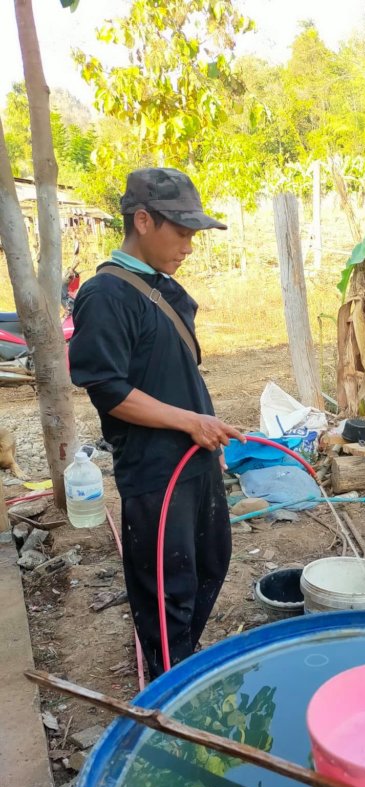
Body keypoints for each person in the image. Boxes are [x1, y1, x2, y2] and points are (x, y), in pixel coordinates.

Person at [69, 168, 245, 678]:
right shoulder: (106, 295)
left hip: (193, 455)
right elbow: (108, 389)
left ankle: (182, 657)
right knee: (168, 588)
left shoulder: (161, 286)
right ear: (143, 221)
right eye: (182, 232)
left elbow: (171, 373)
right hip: (155, 470)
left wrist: (205, 428)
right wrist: (190, 420)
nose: (188, 246)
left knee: (211, 561)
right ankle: (170, 684)